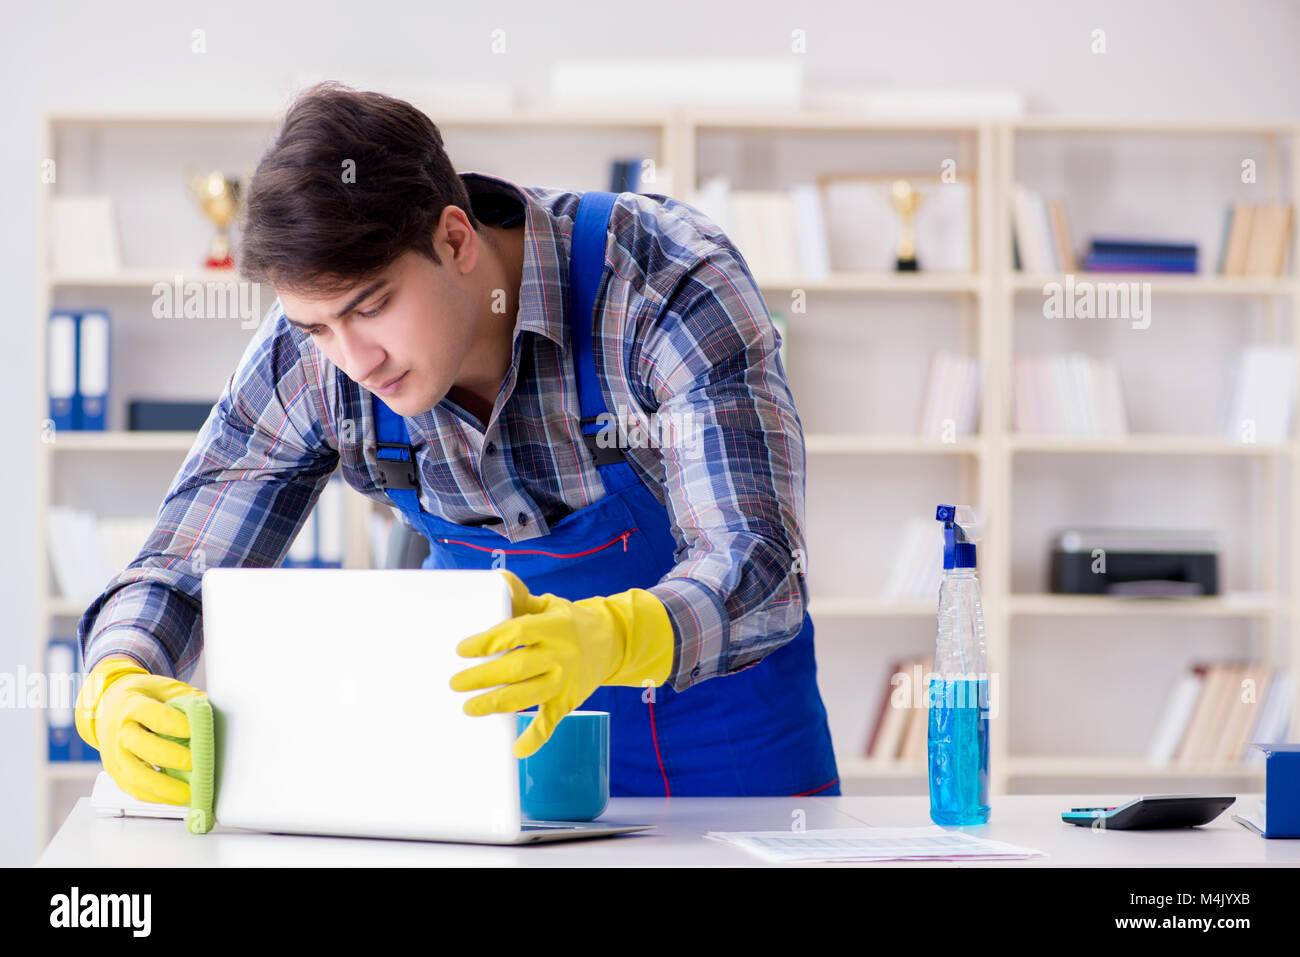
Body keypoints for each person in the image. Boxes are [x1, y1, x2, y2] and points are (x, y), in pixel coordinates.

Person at [75, 82, 840, 806]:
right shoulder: (317, 351)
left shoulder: (661, 282)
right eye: (318, 327)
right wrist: (116, 674)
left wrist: (610, 637)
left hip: (732, 761)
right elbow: (181, 567)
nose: (355, 360)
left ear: (454, 236)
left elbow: (761, 566)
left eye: (373, 305)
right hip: (495, 766)